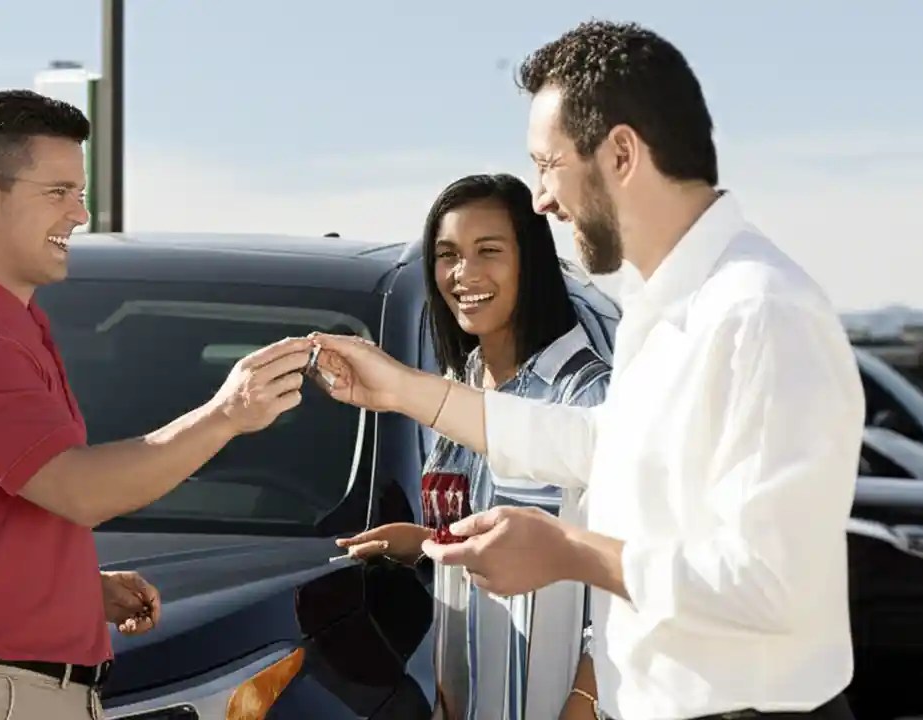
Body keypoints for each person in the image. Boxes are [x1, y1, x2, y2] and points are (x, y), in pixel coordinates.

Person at [311, 20, 863, 720]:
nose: (542, 198)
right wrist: (403, 389)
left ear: (621, 153)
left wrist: (571, 551)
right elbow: (597, 446)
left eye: (549, 164)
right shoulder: (664, 310)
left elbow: (775, 586)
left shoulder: (758, 312)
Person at [0, 89, 311, 720]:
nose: (79, 214)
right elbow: (80, 490)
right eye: (57, 192)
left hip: (4, 692)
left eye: (79, 192)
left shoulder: (8, 326)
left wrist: (74, 593)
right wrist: (227, 413)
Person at [332, 173, 620, 720]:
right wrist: (422, 544)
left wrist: (583, 704)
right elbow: (494, 536)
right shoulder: (461, 382)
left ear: (530, 259)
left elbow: (627, 580)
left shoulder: (586, 394)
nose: (463, 274)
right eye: (447, 254)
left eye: (488, 250)